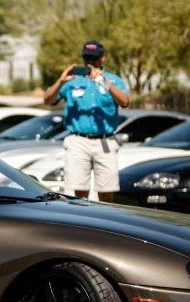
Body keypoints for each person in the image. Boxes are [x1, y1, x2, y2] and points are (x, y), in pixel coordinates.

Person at [43, 39, 130, 202]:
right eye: (87, 59)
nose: (90, 63)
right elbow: (48, 100)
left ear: (103, 58)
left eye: (94, 59)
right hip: (78, 140)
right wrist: (61, 80)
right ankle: (83, 222)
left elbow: (124, 101)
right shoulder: (72, 81)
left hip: (104, 140)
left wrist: (105, 81)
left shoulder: (112, 79)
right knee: (79, 189)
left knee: (106, 189)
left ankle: (106, 223)